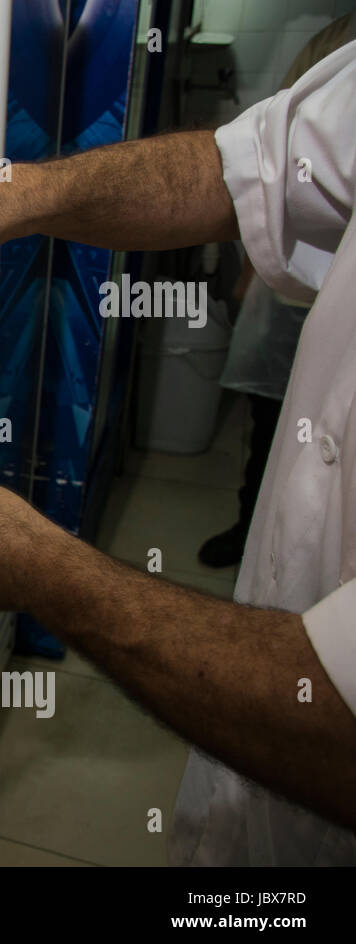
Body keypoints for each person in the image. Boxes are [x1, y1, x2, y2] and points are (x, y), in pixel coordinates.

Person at [0, 42, 356, 864]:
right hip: (245, 809)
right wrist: (8, 194)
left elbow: (340, 727)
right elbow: (249, 167)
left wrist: (38, 571)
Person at [199, 15, 356, 569]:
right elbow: (267, 192)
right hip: (286, 300)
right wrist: (247, 281)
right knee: (271, 426)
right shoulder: (330, 57)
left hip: (338, 311)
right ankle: (251, 531)